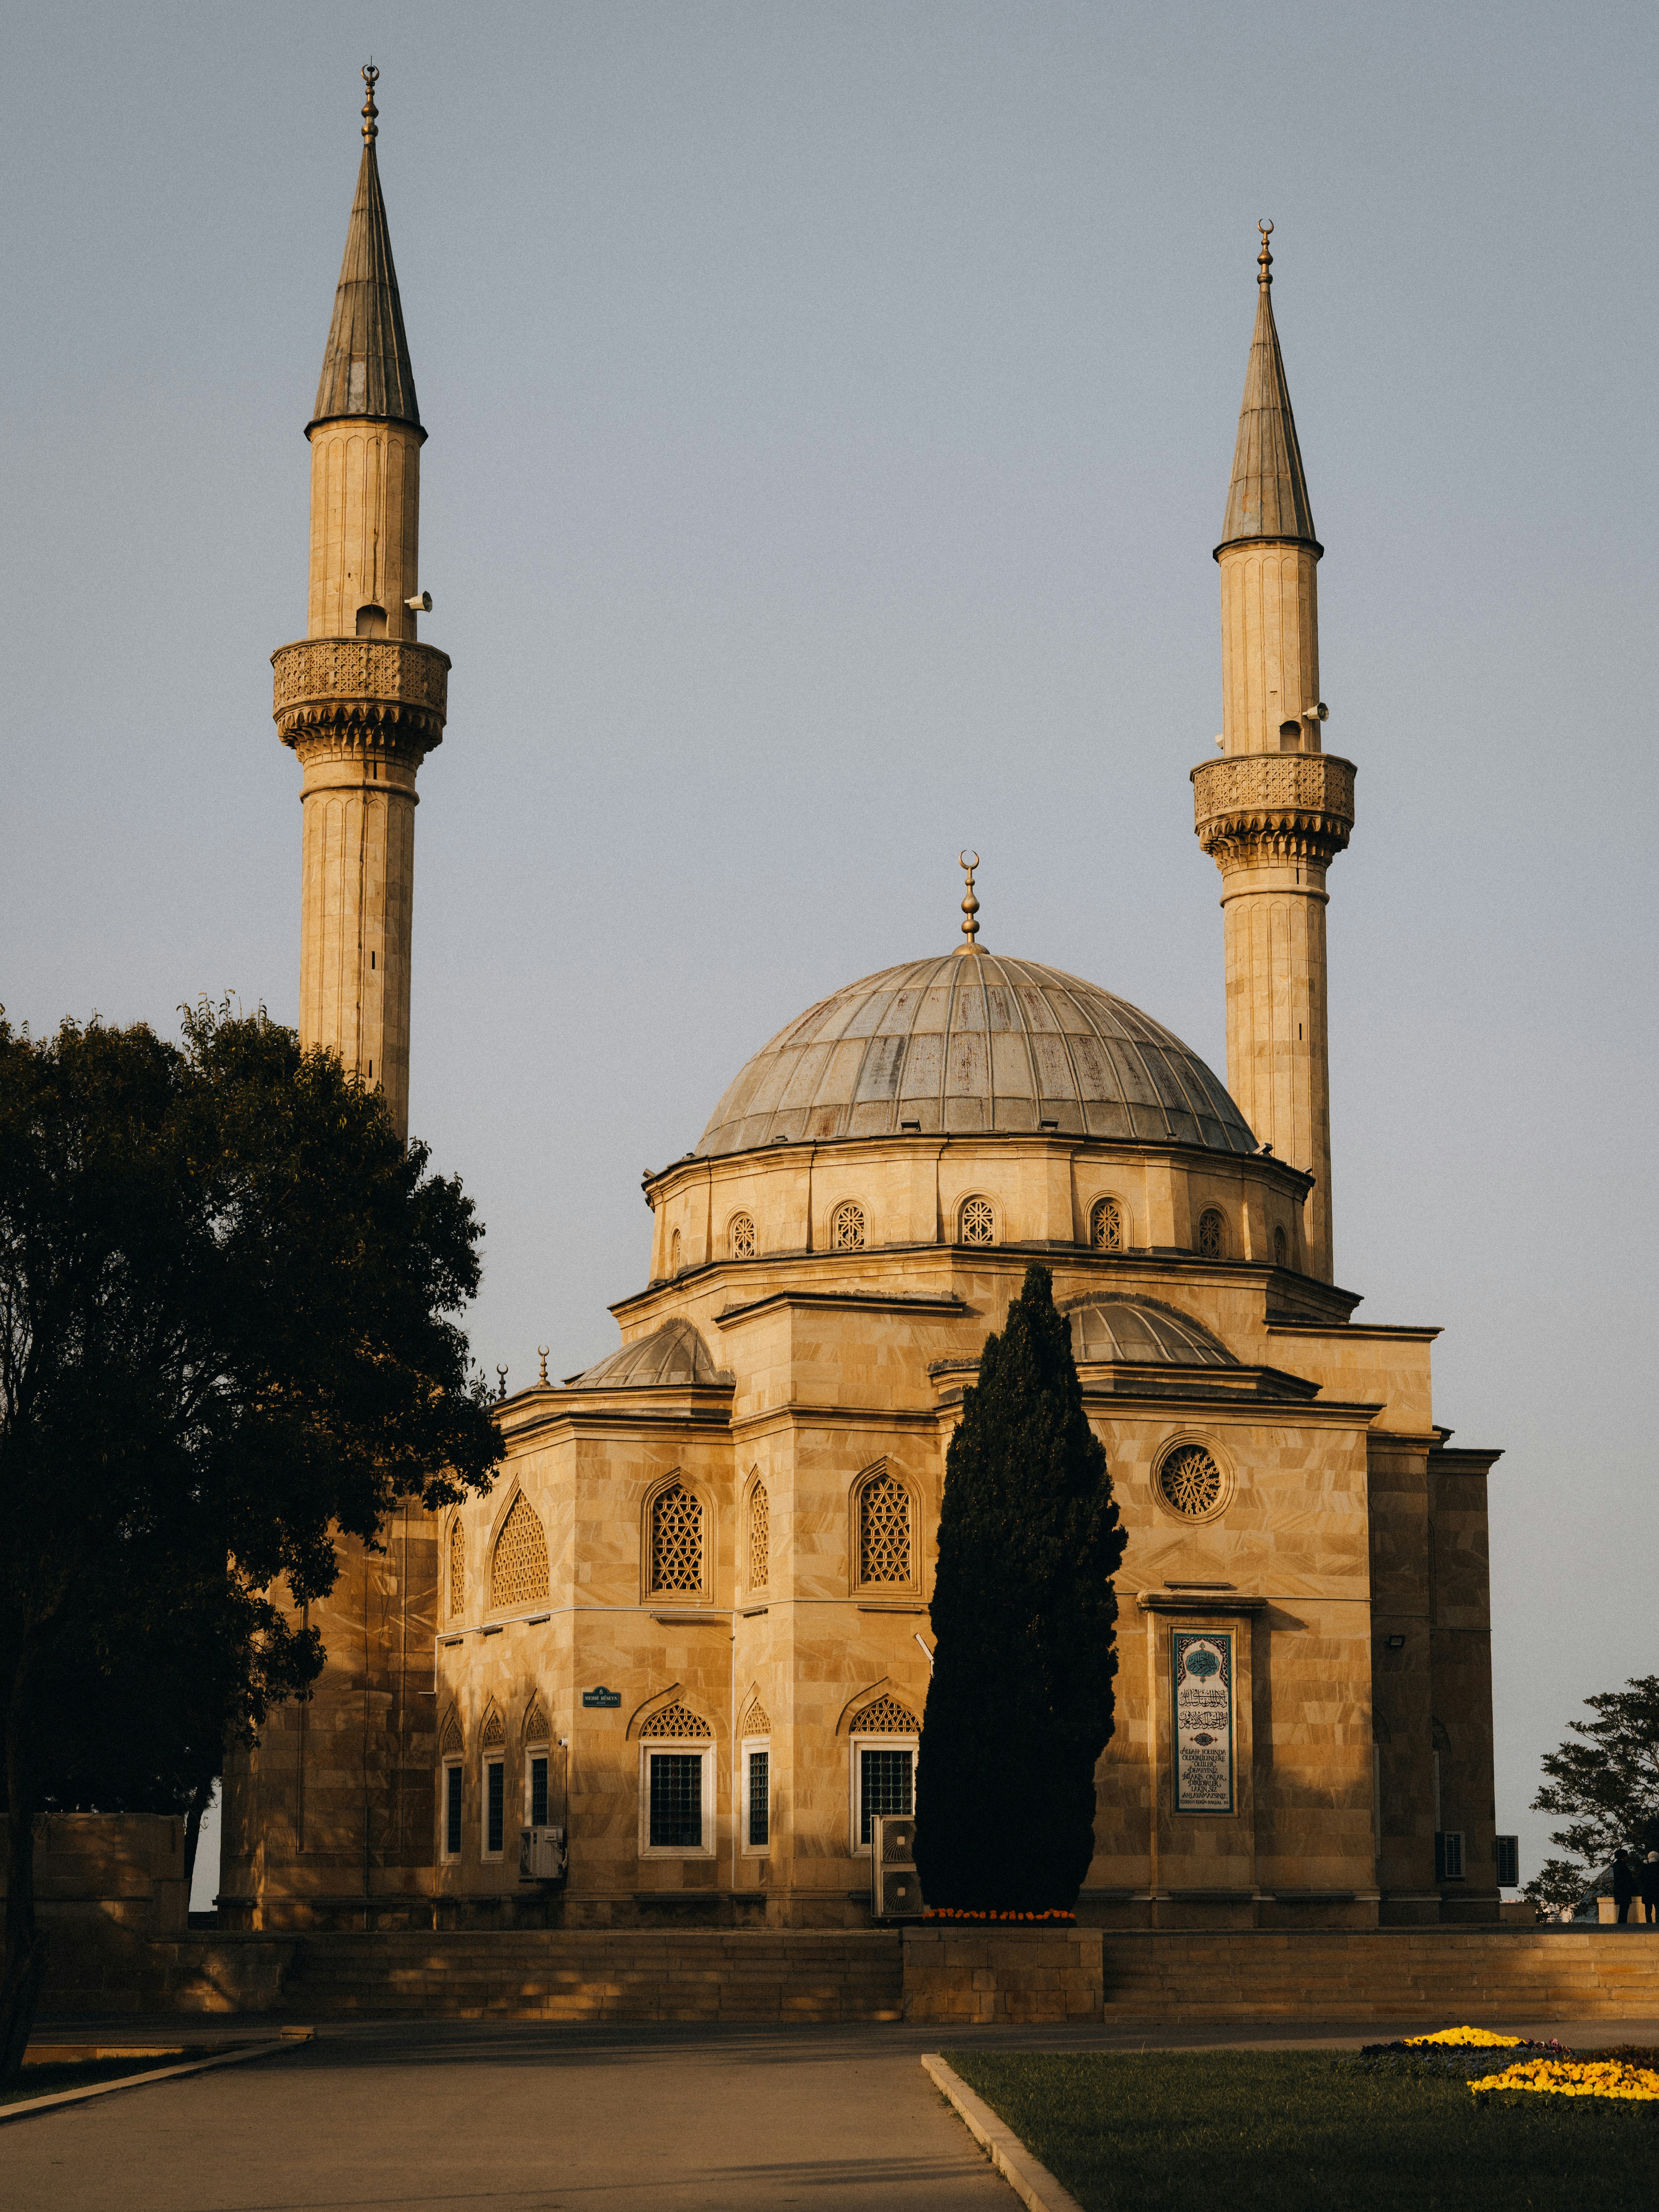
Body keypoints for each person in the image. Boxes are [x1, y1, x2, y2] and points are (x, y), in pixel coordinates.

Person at [1611, 1848, 1635, 1924]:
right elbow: (1625, 1879)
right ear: (1623, 1857)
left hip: (1621, 1890)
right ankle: (1622, 1923)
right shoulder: (1622, 1866)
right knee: (1624, 1907)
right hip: (1623, 1890)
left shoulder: (1617, 1866)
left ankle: (1622, 1922)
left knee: (1623, 1907)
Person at [1640, 1851, 1659, 1928]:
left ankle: (1649, 1924)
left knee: (1648, 1910)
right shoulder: (1657, 1866)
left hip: (1647, 1892)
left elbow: (1641, 1878)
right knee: (1658, 1909)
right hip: (1657, 1892)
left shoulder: (1645, 1866)